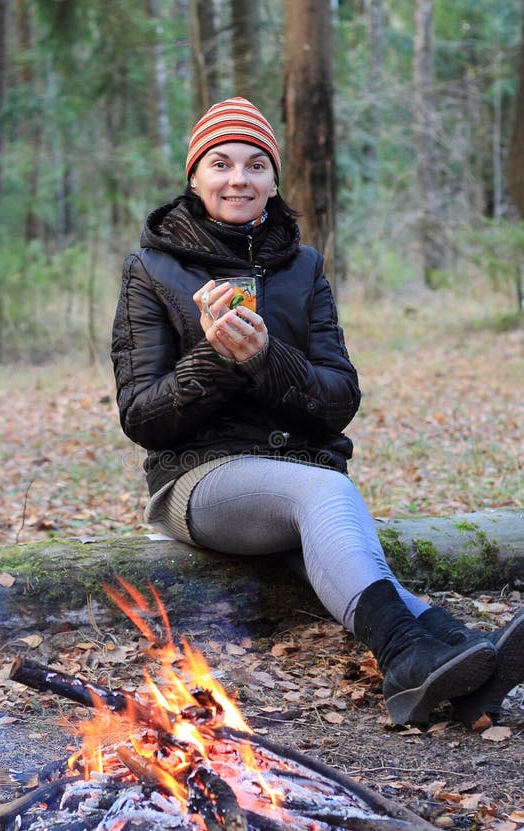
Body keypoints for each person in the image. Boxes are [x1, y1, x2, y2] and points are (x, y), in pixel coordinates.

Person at [111, 97, 524, 728]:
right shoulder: (151, 268)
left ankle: (462, 656)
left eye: (255, 165)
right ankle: (405, 657)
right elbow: (143, 417)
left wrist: (266, 358)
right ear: (193, 177)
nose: (238, 179)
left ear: (274, 181)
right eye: (221, 164)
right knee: (325, 493)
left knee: (330, 517)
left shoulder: (303, 267)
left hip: (299, 474)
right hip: (197, 481)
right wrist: (217, 359)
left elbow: (338, 400)